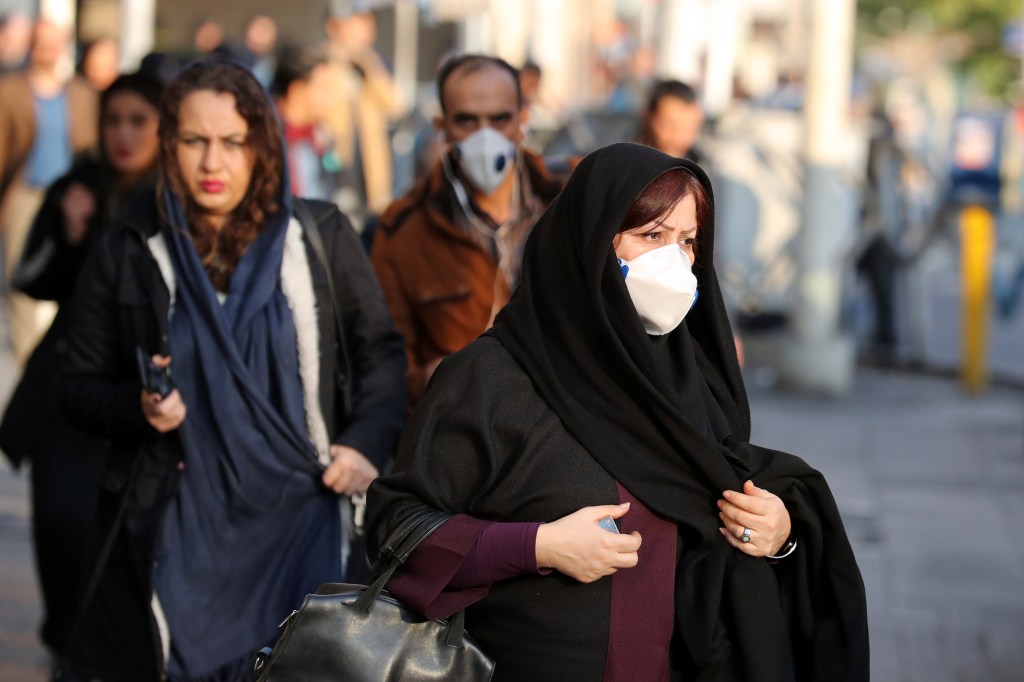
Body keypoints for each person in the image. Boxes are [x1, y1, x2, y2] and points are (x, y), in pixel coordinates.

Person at [367, 143, 869, 681]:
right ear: (591, 240)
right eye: (651, 235)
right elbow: (397, 526)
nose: (674, 259)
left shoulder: (695, 377)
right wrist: (538, 547)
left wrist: (777, 533)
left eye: (688, 241)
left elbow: (729, 512)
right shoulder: (492, 378)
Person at [57, 60, 406, 681]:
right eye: (194, 141)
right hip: (181, 534)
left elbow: (379, 352)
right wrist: (138, 406)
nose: (212, 163)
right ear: (169, 145)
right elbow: (76, 385)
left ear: (262, 146)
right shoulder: (129, 247)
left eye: (232, 142)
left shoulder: (317, 236)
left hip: (303, 524)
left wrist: (362, 443)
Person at [0, 72, 163, 658]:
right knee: (61, 517)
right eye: (113, 120)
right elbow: (28, 277)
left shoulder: (174, 200)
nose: (124, 134)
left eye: (138, 121)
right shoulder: (78, 185)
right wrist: (71, 234)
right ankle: (65, 641)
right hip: (68, 386)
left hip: (143, 393)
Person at [372, 54, 565, 409]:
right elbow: (387, 363)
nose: (485, 136)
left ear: (522, 119)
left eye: (499, 119)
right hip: (462, 421)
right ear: (442, 126)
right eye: (466, 120)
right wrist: (436, 376)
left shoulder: (566, 201)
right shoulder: (404, 229)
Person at [0, 19, 98, 366]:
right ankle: (28, 358)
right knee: (22, 275)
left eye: (53, 43)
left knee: (68, 271)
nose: (47, 50)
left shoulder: (81, 94)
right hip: (26, 192)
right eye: (42, 43)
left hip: (69, 195)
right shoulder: (11, 90)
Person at [322, 0, 403, 225]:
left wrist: (369, 65)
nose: (366, 31)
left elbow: (395, 106)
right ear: (335, 27)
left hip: (370, 162)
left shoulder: (374, 62)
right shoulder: (322, 63)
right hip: (335, 160)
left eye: (369, 24)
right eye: (358, 24)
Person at [271, 46, 337, 202]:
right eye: (324, 88)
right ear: (297, 90)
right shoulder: (267, 139)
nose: (332, 97)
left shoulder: (319, 138)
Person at [640, 79, 706, 164]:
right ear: (648, 116)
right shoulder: (623, 156)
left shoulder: (704, 168)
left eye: (689, 129)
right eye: (669, 125)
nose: (679, 138)